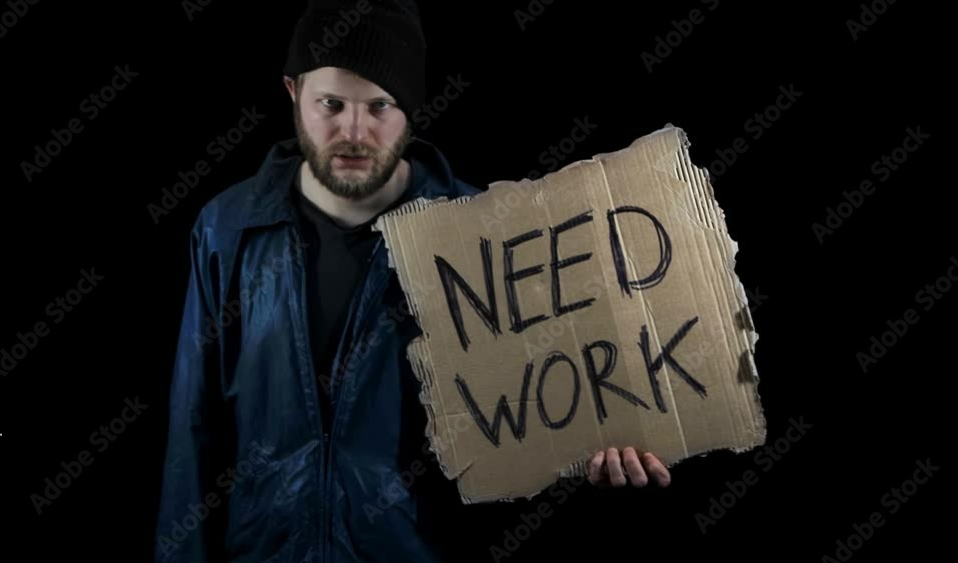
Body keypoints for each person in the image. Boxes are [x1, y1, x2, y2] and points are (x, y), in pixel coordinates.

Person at [154, 1, 670, 561]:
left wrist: (591, 451)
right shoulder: (227, 229)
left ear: (412, 110)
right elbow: (194, 427)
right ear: (292, 93)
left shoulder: (483, 232)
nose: (354, 131)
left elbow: (535, 412)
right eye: (331, 104)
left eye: (380, 106)